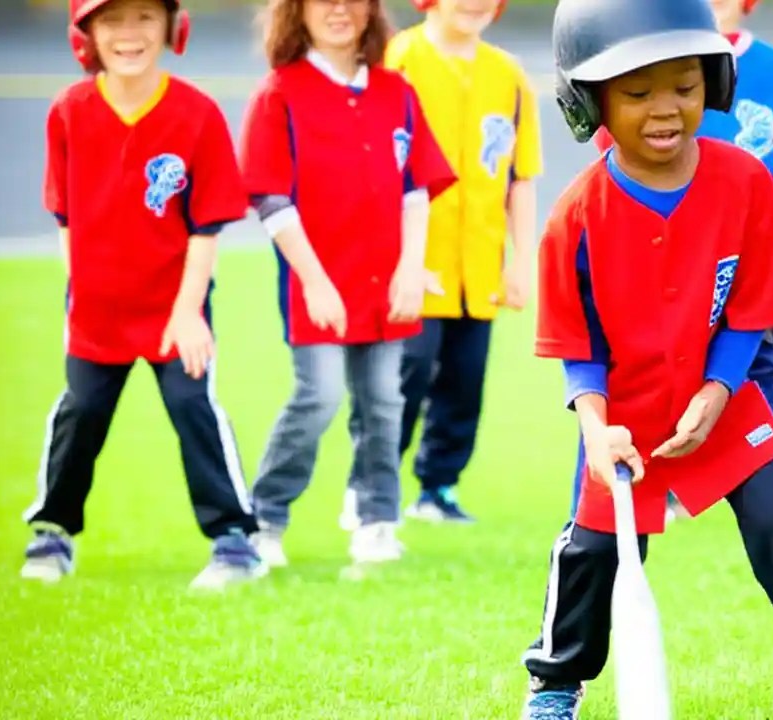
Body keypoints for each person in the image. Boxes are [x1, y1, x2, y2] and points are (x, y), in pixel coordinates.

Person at [518, 1, 773, 718]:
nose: (666, 110)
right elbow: (578, 350)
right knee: (592, 552)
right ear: (589, 101)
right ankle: (556, 683)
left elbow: (753, 310)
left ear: (714, 86)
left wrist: (717, 391)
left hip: (729, 402)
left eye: (685, 88)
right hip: (623, 416)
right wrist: (596, 431)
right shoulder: (574, 215)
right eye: (637, 93)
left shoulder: (744, 181)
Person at [23, 0, 265, 591]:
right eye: (111, 21)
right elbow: (66, 218)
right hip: (98, 307)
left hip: (175, 303)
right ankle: (53, 530)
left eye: (144, 19)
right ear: (86, 36)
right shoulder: (69, 112)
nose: (128, 34)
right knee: (81, 412)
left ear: (172, 28)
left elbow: (206, 225)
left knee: (191, 404)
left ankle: (234, 541)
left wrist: (187, 312)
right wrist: (80, 293)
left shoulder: (196, 113)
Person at [240, 0, 456, 568]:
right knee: (319, 398)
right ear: (298, 13)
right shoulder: (279, 93)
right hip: (318, 284)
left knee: (385, 403)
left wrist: (412, 266)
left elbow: (416, 188)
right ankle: (263, 521)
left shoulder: (395, 92)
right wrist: (314, 281)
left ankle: (377, 520)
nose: (339, 9)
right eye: (322, 0)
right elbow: (270, 198)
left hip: (387, 284)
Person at [583, 0, 773, 522]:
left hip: (746, 264)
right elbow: (613, 157)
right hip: (666, 267)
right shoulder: (647, 58)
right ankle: (656, 479)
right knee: (656, 374)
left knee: (760, 365)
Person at [337, 0, 543, 527]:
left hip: (478, 265)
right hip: (409, 263)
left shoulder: (509, 75)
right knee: (401, 375)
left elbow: (520, 177)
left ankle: (438, 488)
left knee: (463, 380)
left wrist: (522, 262)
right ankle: (369, 485)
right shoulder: (396, 60)